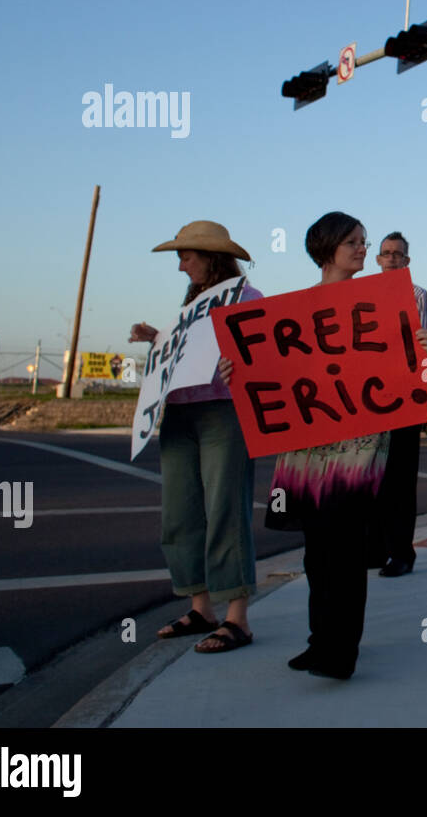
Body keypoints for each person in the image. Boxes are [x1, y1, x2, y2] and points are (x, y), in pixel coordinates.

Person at [219, 214, 427, 679]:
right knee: (317, 552)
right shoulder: (295, 311)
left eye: (363, 242)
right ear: (328, 247)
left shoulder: (382, 303)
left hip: (359, 448)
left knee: (347, 550)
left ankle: (342, 651)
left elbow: (411, 368)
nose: (362, 248)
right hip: (309, 448)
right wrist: (239, 372)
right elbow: (274, 372)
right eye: (353, 242)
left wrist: (420, 345)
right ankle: (320, 640)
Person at [129, 220, 263, 654]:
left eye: (186, 257)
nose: (182, 266)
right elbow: (184, 356)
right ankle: (201, 607)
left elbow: (261, 355)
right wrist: (157, 339)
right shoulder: (191, 304)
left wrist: (239, 362)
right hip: (181, 413)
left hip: (226, 413)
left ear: (210, 257)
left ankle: (237, 619)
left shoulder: (247, 297)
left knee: (225, 509)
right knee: (181, 513)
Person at [372, 232, 427, 578]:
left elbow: (426, 352)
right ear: (378, 259)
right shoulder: (362, 298)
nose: (392, 258)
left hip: (402, 401)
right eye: (386, 253)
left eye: (398, 254)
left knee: (399, 480)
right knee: (369, 478)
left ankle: (401, 552)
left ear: (407, 261)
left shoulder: (419, 297)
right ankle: (376, 547)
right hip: (366, 403)